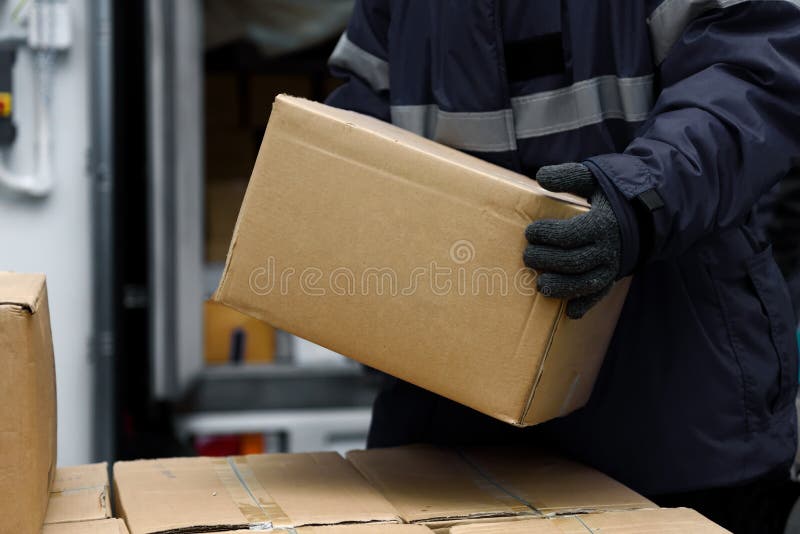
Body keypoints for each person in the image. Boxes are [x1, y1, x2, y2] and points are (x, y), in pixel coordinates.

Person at [325, 2, 800, 532]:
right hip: (448, 442)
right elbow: (361, 109)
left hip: (671, 419)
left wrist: (638, 199)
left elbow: (751, 72)